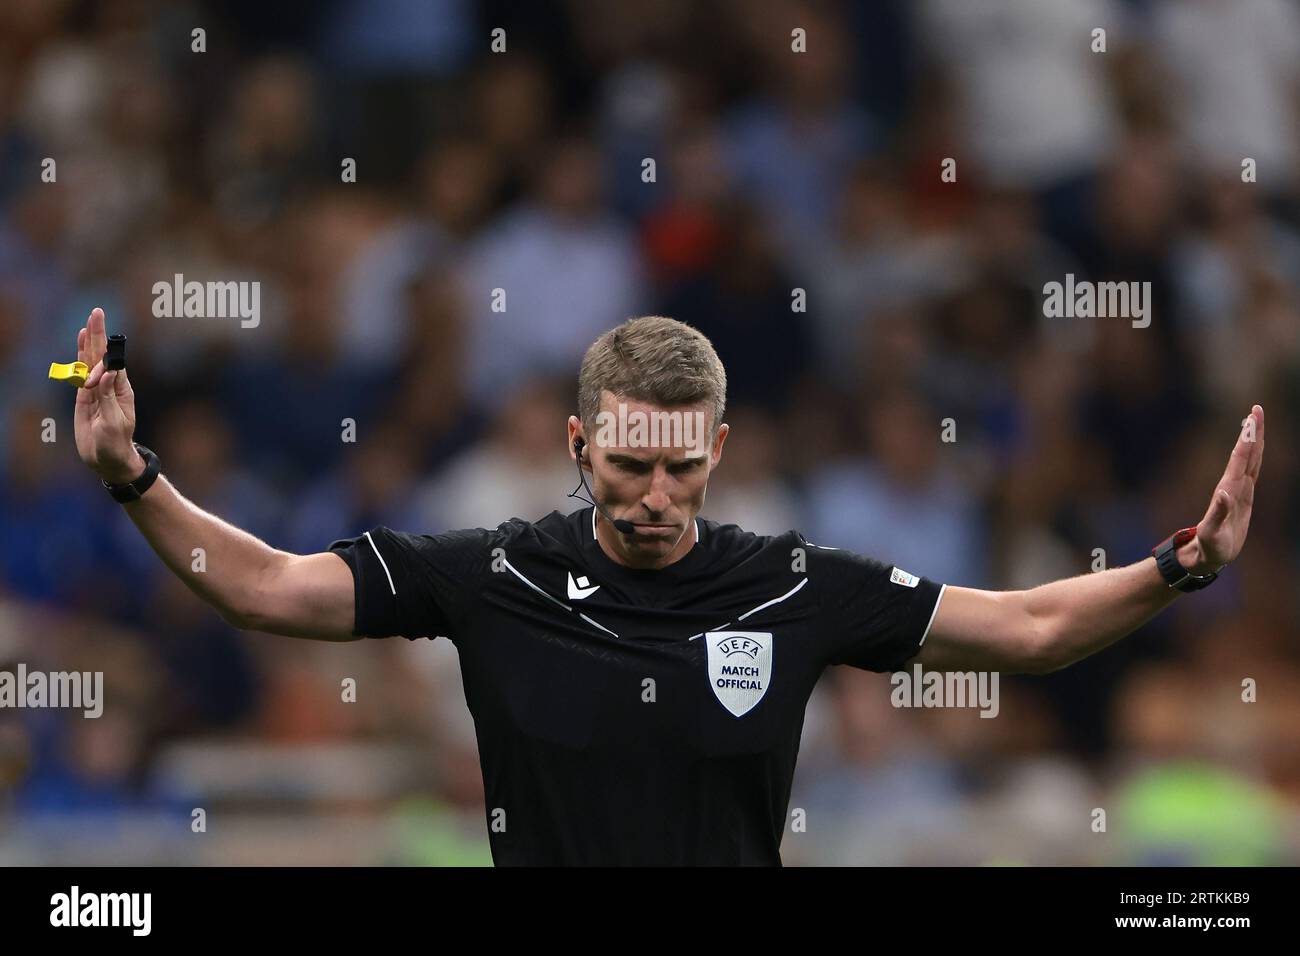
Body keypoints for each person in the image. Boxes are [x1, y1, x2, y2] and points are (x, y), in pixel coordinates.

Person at [72, 308, 1266, 865]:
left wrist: (1179, 566)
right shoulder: (492, 572)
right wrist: (136, 476)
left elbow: (1031, 625)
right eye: (631, 463)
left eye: (682, 465)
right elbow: (269, 586)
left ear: (721, 449)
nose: (655, 492)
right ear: (580, 446)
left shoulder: (791, 587)